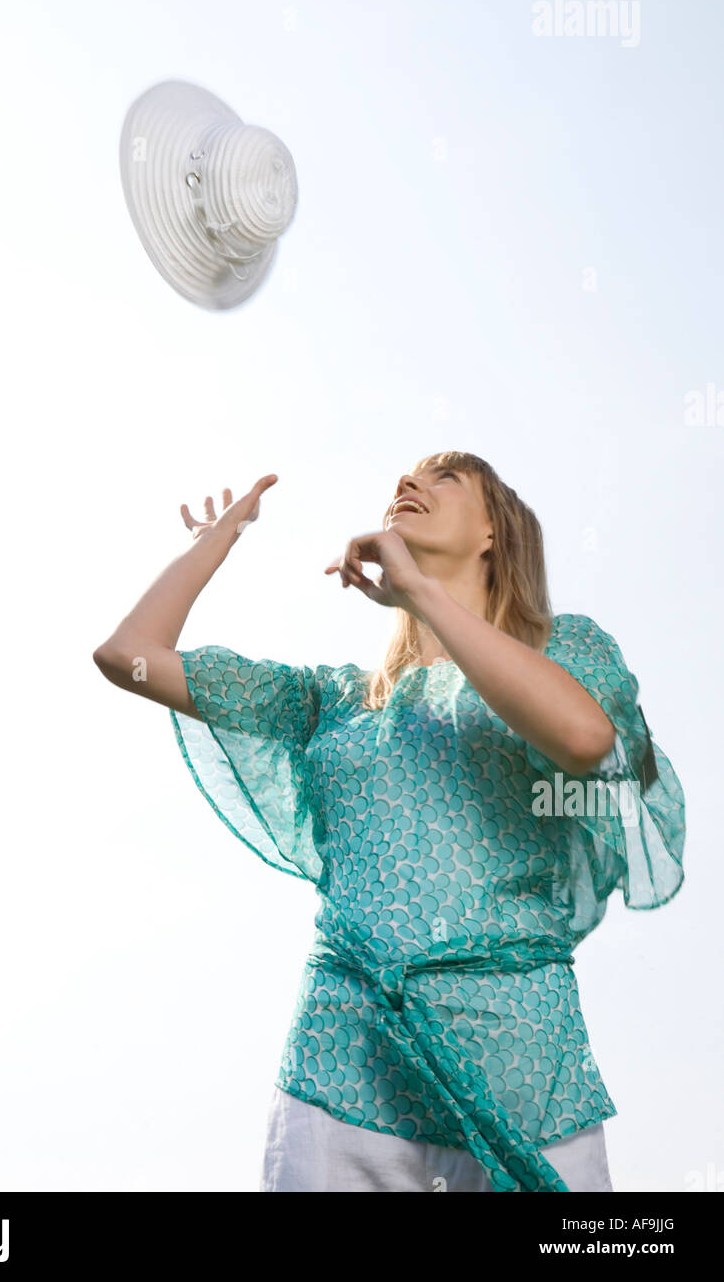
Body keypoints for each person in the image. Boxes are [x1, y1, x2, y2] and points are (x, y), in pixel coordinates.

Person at [92, 451, 685, 1192]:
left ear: (493, 533)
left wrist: (423, 595)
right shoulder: (329, 702)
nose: (408, 485)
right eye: (403, 478)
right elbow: (129, 657)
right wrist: (213, 542)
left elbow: (585, 738)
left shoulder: (564, 651)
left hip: (525, 1074)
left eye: (442, 478)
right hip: (344, 1071)